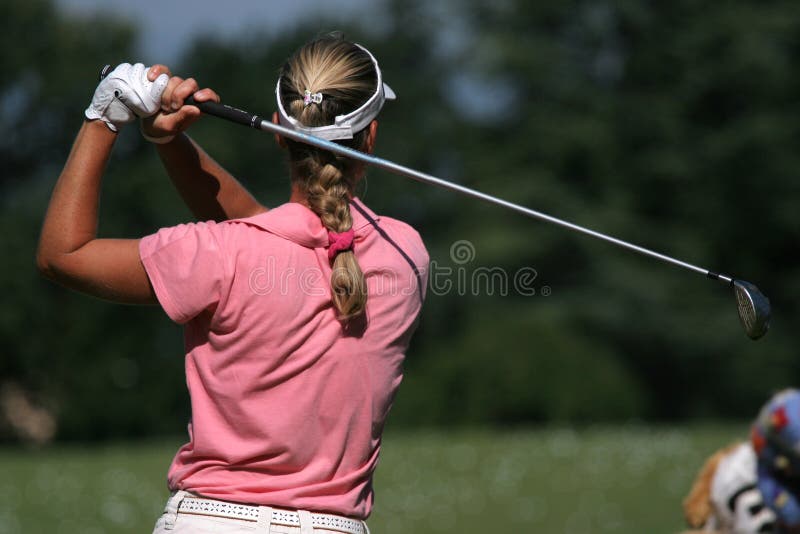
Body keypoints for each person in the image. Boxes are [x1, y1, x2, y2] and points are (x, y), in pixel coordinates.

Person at [37, 35, 429, 534]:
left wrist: (105, 116)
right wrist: (168, 141)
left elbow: (60, 255)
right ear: (370, 137)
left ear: (278, 131)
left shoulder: (221, 254)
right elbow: (272, 232)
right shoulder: (406, 255)